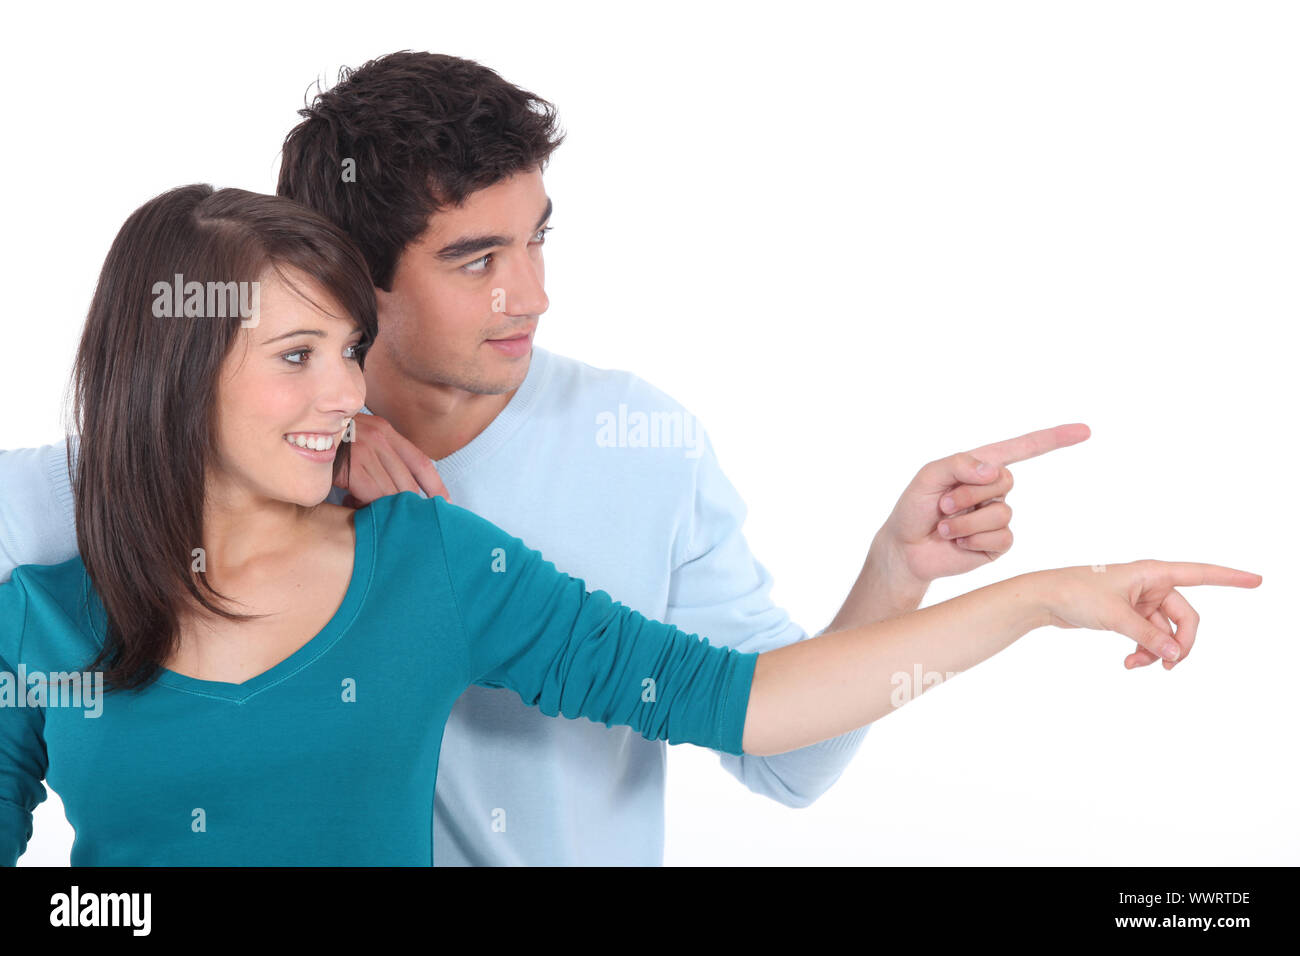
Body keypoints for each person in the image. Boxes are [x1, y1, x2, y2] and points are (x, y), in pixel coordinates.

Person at [0, 52, 1170, 867]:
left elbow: (767, 726)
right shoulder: (47, 569)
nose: (531, 295)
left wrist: (1011, 594)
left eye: (537, 241)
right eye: (475, 258)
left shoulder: (462, 543)